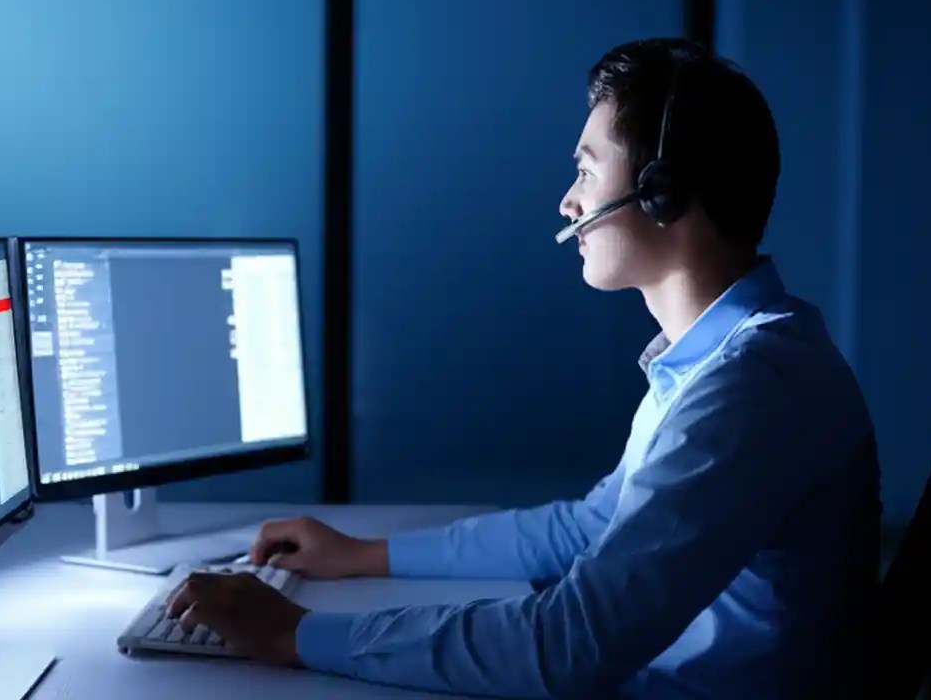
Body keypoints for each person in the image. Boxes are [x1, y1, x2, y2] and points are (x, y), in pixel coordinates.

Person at [167, 37, 882, 698]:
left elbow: (568, 645)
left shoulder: (749, 388)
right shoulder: (717, 361)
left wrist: (295, 634)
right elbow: (588, 529)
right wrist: (364, 554)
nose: (568, 202)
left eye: (585, 170)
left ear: (660, 192)